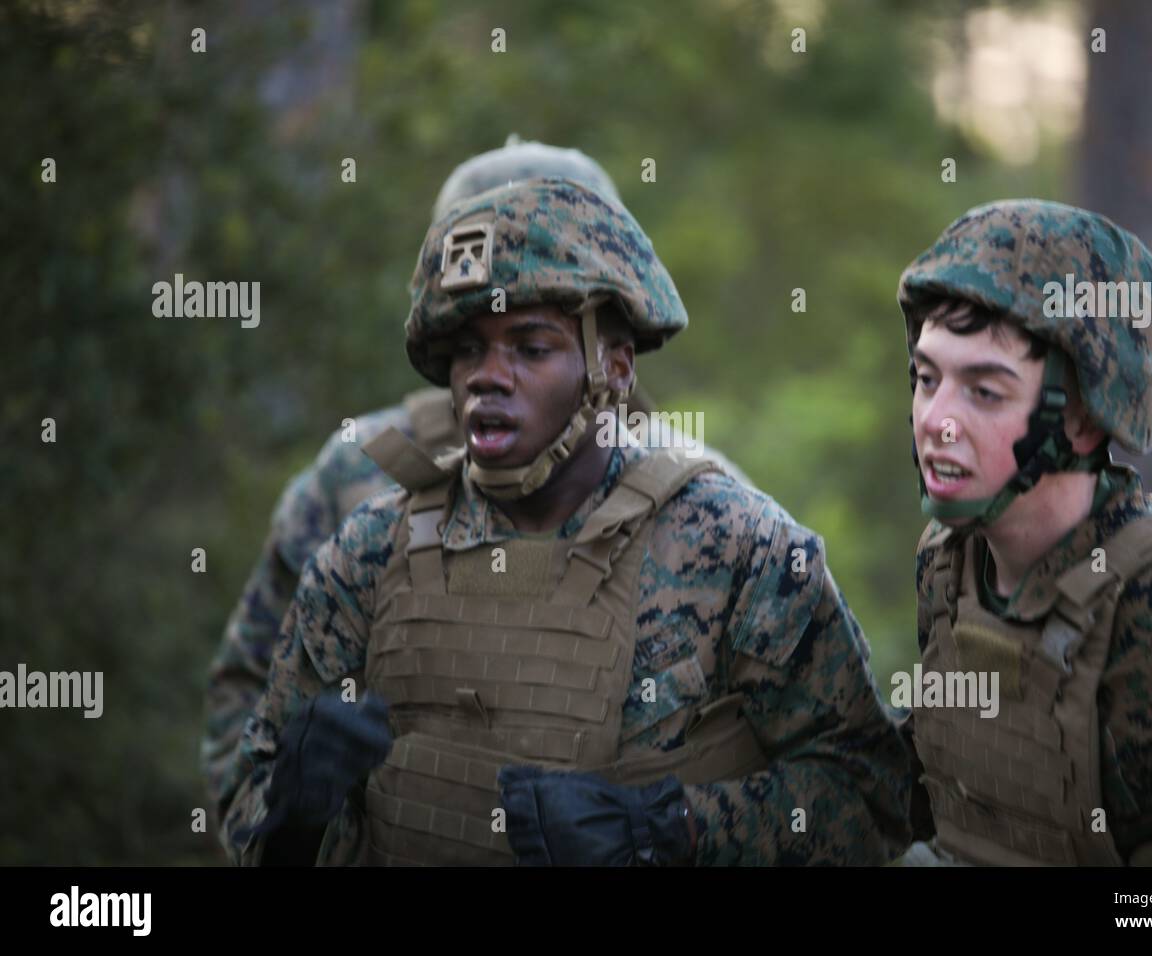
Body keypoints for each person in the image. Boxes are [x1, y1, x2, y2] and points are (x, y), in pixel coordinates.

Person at [221, 177, 909, 866]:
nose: (488, 377)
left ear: (612, 367)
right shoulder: (368, 553)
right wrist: (293, 816)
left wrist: (671, 829)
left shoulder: (737, 550)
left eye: (530, 347)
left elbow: (872, 796)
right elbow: (248, 797)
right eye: (468, 349)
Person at [200, 140, 747, 849]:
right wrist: (285, 827)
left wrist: (664, 829)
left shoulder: (705, 499)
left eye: (535, 333)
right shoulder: (360, 474)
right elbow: (247, 700)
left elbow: (806, 760)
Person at [898, 199, 1152, 865]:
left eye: (984, 392)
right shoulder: (949, 566)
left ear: (1082, 420)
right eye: (926, 378)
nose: (935, 420)